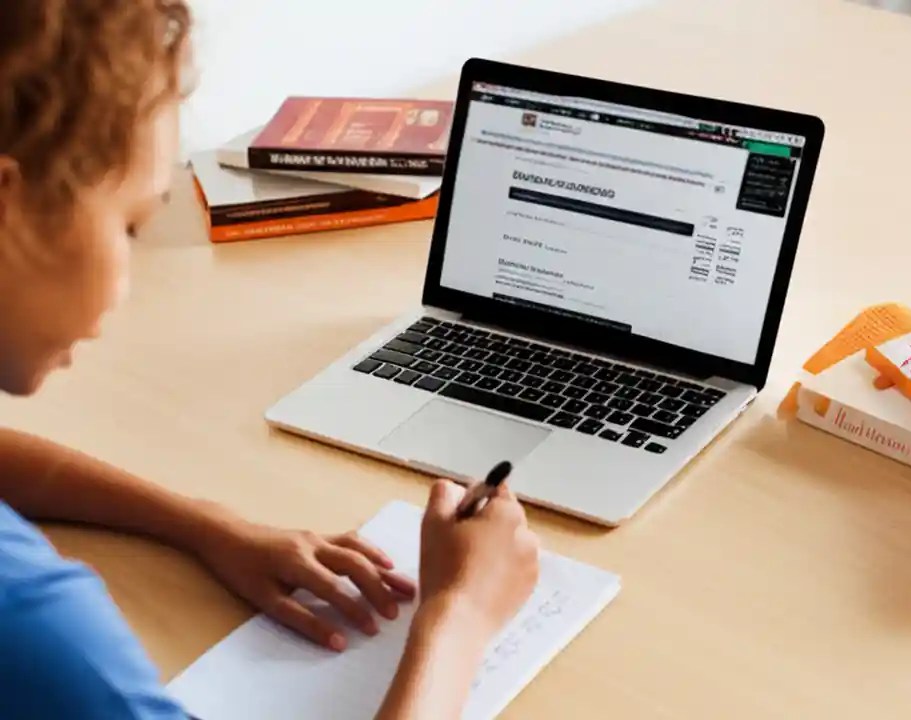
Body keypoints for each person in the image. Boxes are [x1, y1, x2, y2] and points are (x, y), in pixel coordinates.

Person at [0, 2, 540, 718]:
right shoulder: (31, 622)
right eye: (130, 224)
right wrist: (461, 617)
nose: (128, 283)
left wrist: (203, 523)